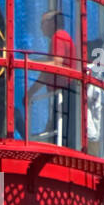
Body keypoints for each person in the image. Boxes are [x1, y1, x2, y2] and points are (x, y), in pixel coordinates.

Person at [26, 10, 75, 145]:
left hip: (63, 94)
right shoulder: (62, 36)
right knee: (53, 130)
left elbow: (56, 63)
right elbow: (47, 72)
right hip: (64, 94)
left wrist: (30, 63)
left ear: (52, 22)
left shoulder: (58, 36)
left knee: (57, 132)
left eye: (43, 23)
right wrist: (31, 92)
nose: (40, 26)